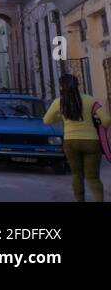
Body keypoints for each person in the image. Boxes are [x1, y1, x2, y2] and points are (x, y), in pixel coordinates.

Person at [43, 74, 111, 202]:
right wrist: (103, 129)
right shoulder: (90, 100)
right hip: (91, 142)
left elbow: (47, 120)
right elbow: (107, 120)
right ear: (77, 85)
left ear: (61, 87)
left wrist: (63, 117)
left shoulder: (59, 102)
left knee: (77, 175)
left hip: (70, 142)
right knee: (93, 177)